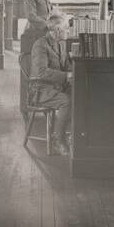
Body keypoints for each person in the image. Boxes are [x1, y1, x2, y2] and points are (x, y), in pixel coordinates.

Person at [29, 13, 73, 155]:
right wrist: (66, 76)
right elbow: (41, 72)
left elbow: (67, 66)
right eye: (67, 28)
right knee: (66, 102)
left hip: (57, 87)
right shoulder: (40, 45)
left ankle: (66, 135)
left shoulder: (61, 43)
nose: (68, 31)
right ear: (58, 30)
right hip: (41, 90)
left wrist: (74, 73)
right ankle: (58, 139)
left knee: (80, 94)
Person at [19, 0, 53, 118]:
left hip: (45, 36)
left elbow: (49, 14)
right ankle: (25, 106)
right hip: (33, 37)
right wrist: (47, 25)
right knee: (30, 72)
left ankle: (43, 102)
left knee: (43, 71)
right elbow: (31, 16)